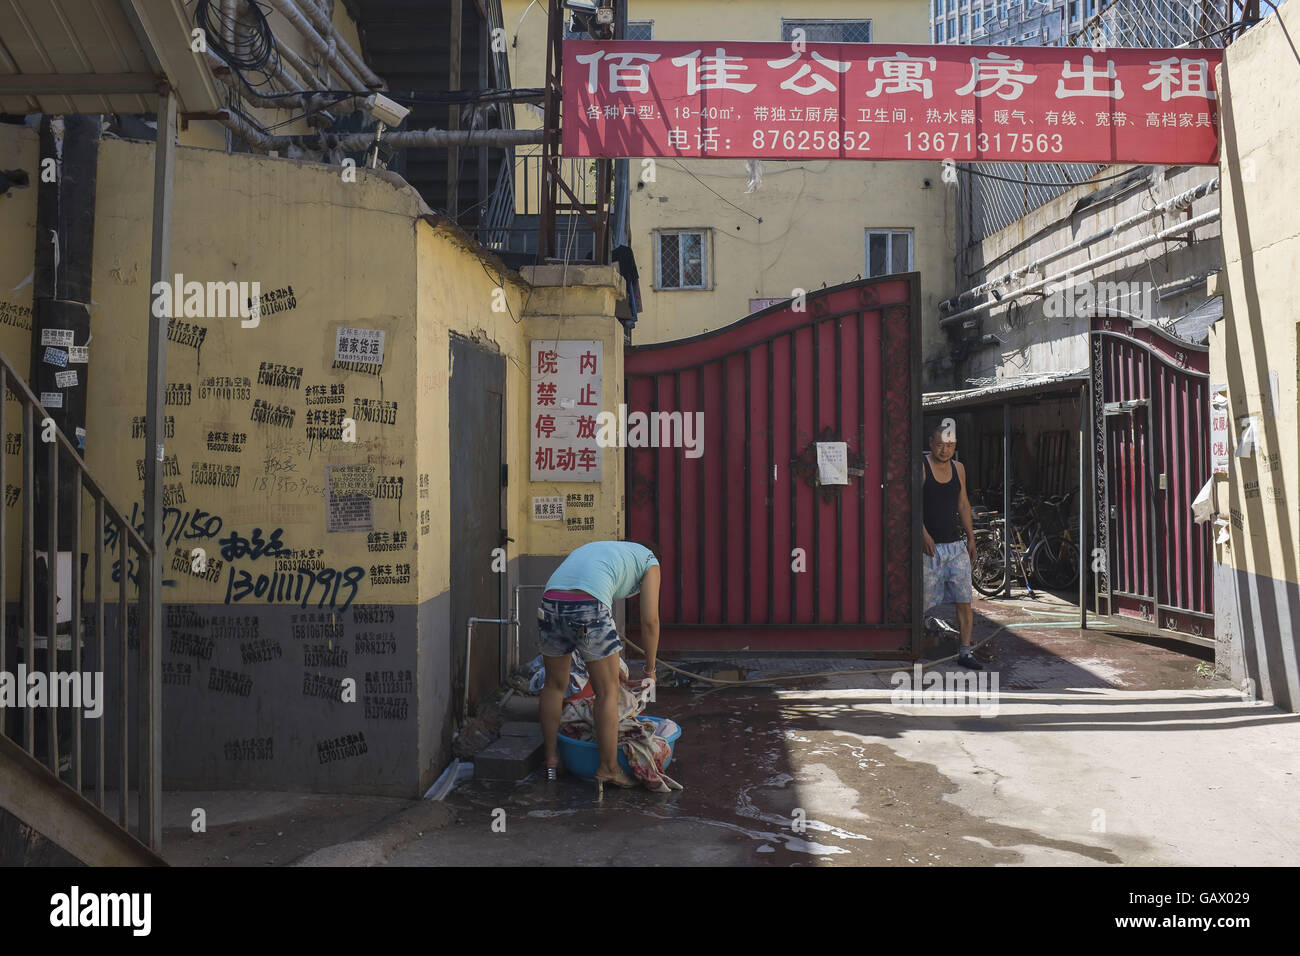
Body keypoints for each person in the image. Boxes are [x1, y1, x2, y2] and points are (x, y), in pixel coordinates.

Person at [537, 540, 661, 790]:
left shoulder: (604, 553)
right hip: (587, 605)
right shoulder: (650, 563)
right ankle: (608, 768)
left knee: (553, 685)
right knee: (607, 691)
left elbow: (601, 613)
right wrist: (650, 670)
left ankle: (551, 760)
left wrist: (614, 667)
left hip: (549, 602)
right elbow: (650, 621)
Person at [921, 420, 981, 669]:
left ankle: (965, 651)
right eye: (940, 445)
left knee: (964, 600)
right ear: (931, 444)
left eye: (949, 445)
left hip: (955, 546)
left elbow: (963, 504)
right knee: (921, 600)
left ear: (955, 445)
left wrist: (971, 536)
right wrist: (922, 533)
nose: (944, 450)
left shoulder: (959, 468)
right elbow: (911, 503)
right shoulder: (921, 467)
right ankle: (915, 645)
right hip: (929, 547)